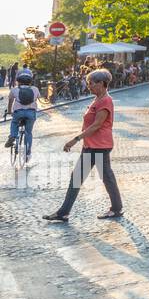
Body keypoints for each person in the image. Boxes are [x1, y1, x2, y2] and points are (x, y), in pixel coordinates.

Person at [44, 69, 123, 222]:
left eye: (91, 83)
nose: (88, 86)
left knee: (89, 177)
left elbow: (97, 125)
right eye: (88, 83)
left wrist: (75, 139)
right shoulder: (98, 99)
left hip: (98, 146)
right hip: (93, 145)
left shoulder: (105, 100)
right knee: (104, 177)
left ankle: (64, 213)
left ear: (101, 83)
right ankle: (116, 208)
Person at [5, 69, 40, 161]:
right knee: (28, 133)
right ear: (30, 81)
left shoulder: (14, 90)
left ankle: (13, 135)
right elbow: (37, 98)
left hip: (18, 112)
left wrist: (9, 111)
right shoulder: (35, 89)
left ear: (18, 81)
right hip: (31, 113)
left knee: (14, 122)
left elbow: (10, 102)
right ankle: (27, 153)